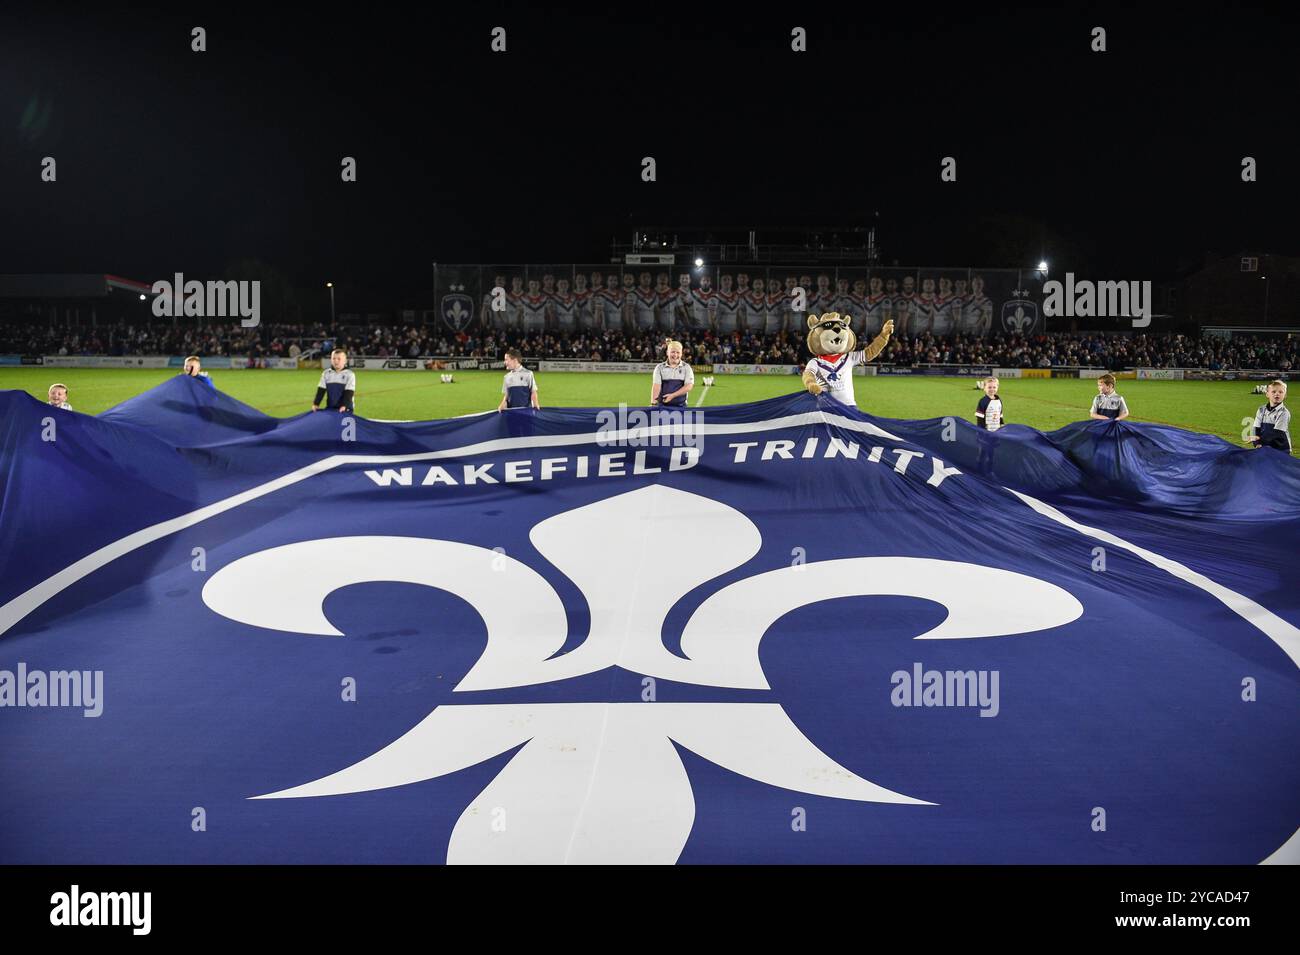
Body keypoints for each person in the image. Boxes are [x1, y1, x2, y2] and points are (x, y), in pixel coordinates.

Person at [1249, 379, 1290, 452]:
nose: (1277, 394)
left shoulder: (1284, 413)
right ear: (1267, 394)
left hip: (1281, 449)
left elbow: (1277, 433)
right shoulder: (1261, 410)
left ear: (1285, 395)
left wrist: (1261, 441)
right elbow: (1256, 428)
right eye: (1273, 391)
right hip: (1265, 446)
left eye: (1280, 392)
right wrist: (1257, 443)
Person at [651, 340, 694, 407]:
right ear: (667, 353)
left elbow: (688, 386)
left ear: (681, 354)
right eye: (673, 352)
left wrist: (672, 396)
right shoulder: (659, 368)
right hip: (662, 406)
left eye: (678, 352)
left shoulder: (687, 368)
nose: (675, 355)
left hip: (681, 406)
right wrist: (653, 402)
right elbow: (656, 386)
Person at [312, 348, 356, 413]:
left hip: (345, 408)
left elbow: (349, 392)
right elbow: (321, 390)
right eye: (333, 358)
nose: (336, 361)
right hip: (330, 408)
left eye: (339, 359)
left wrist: (344, 406)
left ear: (345, 361)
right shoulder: (326, 373)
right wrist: (316, 404)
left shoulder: (350, 374)